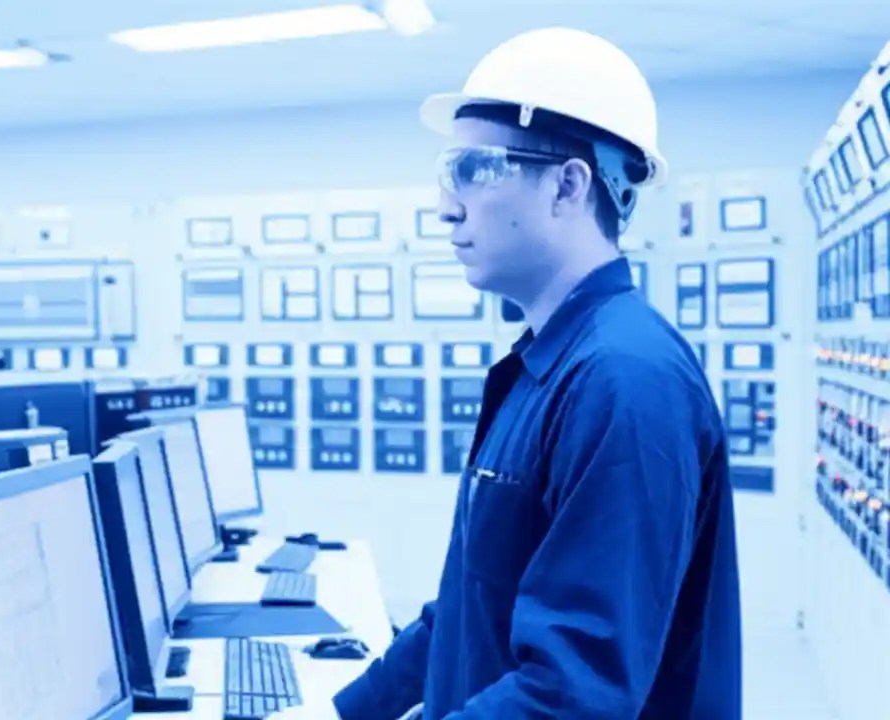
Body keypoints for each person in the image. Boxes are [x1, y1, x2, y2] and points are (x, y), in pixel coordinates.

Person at [278, 27, 743, 720]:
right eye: (447, 173)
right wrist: (338, 714)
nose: (446, 206)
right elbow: (468, 605)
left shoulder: (624, 381)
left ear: (568, 185)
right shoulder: (546, 366)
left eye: (475, 170)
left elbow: (573, 694)